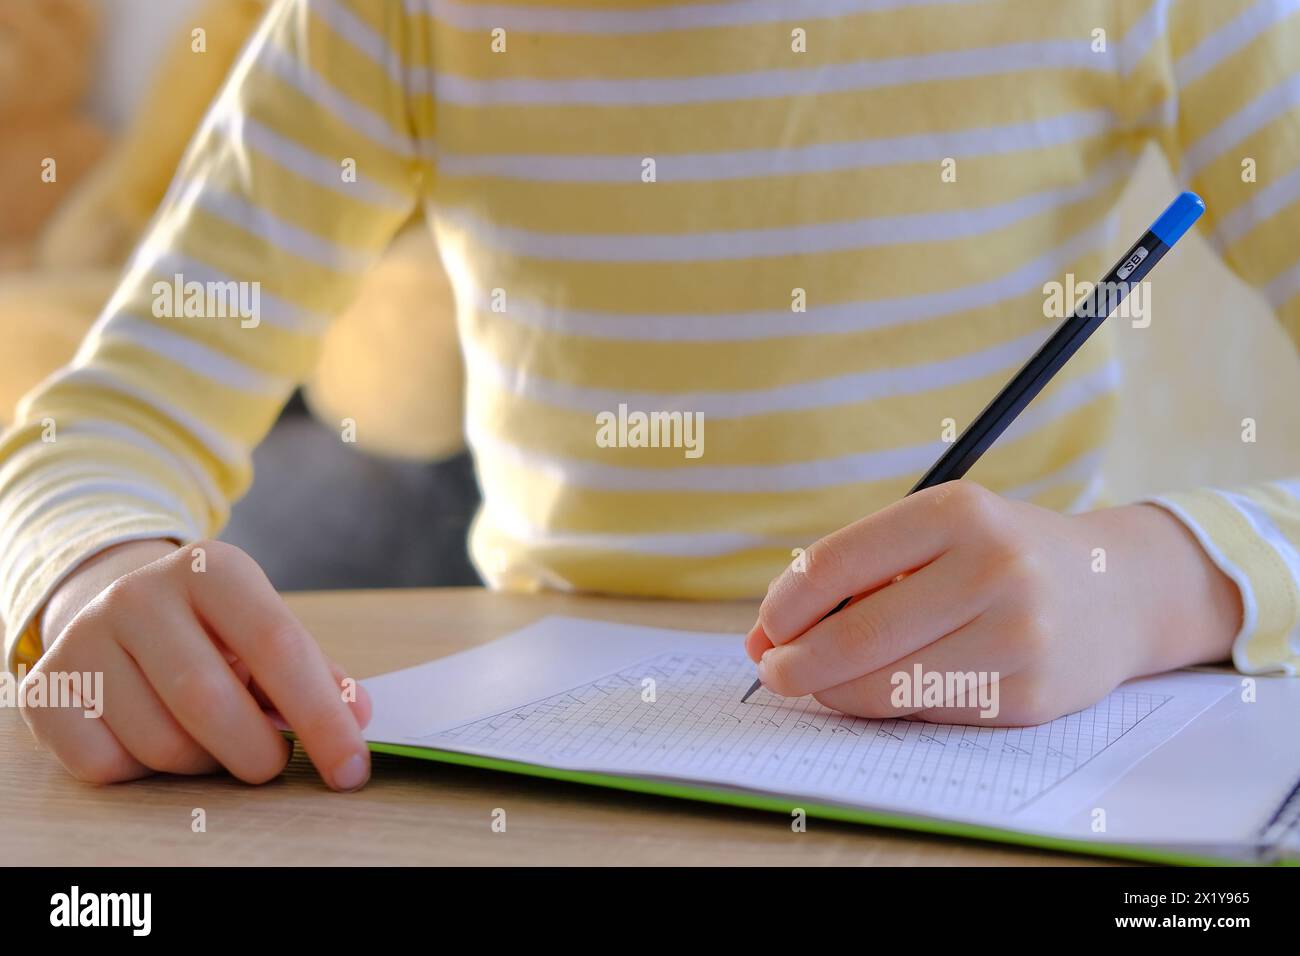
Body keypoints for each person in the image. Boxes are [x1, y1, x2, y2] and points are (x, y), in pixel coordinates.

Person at [3, 0, 1296, 792]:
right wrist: (94, 564)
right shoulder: (390, 17)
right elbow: (104, 420)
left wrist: (1154, 583)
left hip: (1011, 767)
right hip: (567, 789)